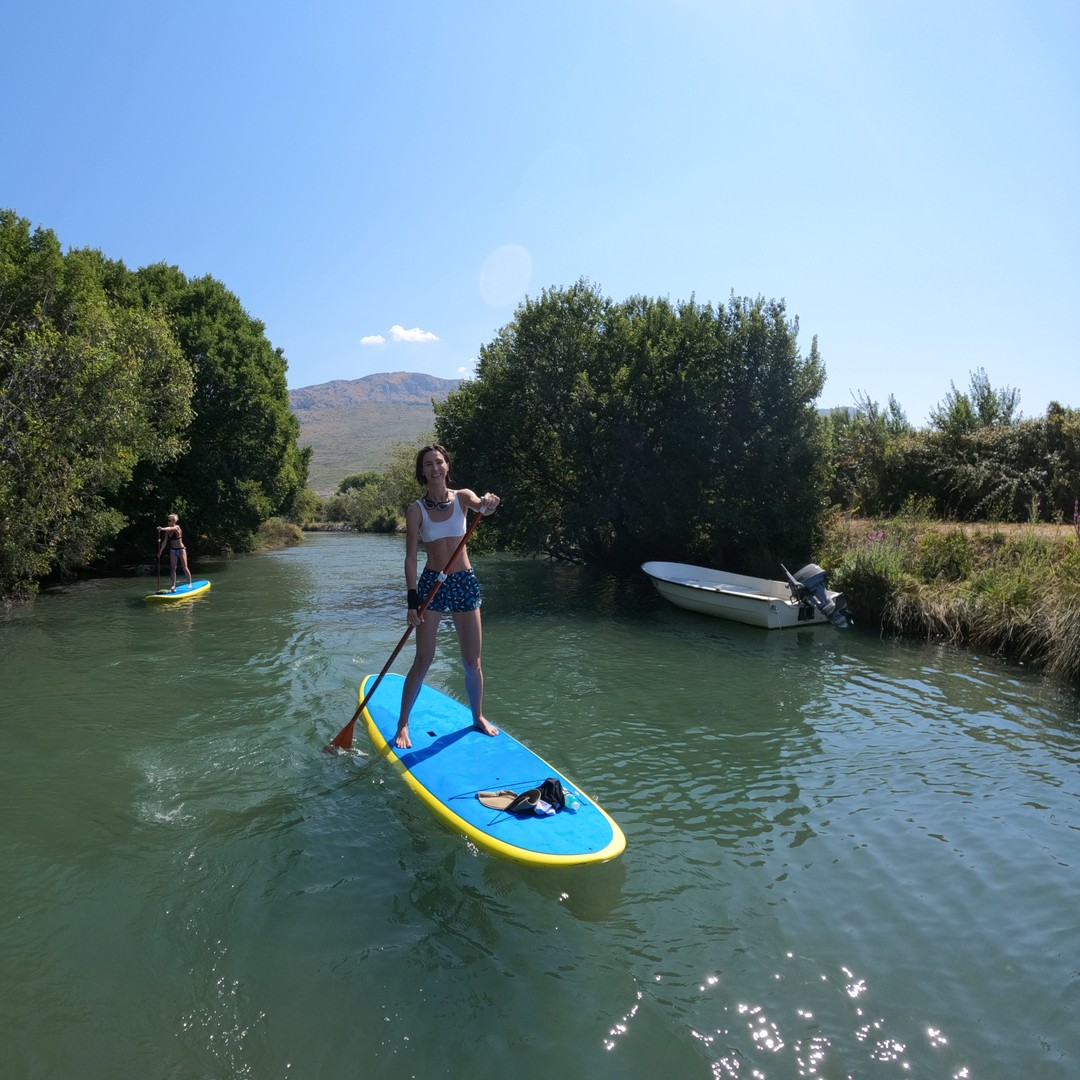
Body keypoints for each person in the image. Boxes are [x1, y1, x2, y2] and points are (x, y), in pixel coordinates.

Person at [395, 443, 501, 749]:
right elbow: (411, 558)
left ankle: (478, 716)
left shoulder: (462, 497)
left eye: (439, 462)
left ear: (447, 466)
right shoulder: (416, 510)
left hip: (464, 582)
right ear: (422, 472)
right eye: (428, 464)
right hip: (432, 585)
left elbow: (484, 506)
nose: (435, 468)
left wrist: (490, 502)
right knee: (424, 658)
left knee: (472, 661)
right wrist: (412, 598)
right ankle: (403, 723)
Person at [156, 513, 193, 592]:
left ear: (174, 521)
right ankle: (173, 586)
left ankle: (189, 583)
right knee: (173, 568)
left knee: (184, 567)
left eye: (169, 520)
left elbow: (170, 529)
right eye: (168, 520)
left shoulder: (177, 527)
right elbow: (165, 542)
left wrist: (162, 529)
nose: (168, 522)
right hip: (173, 550)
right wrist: (160, 552)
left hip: (181, 549)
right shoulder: (167, 531)